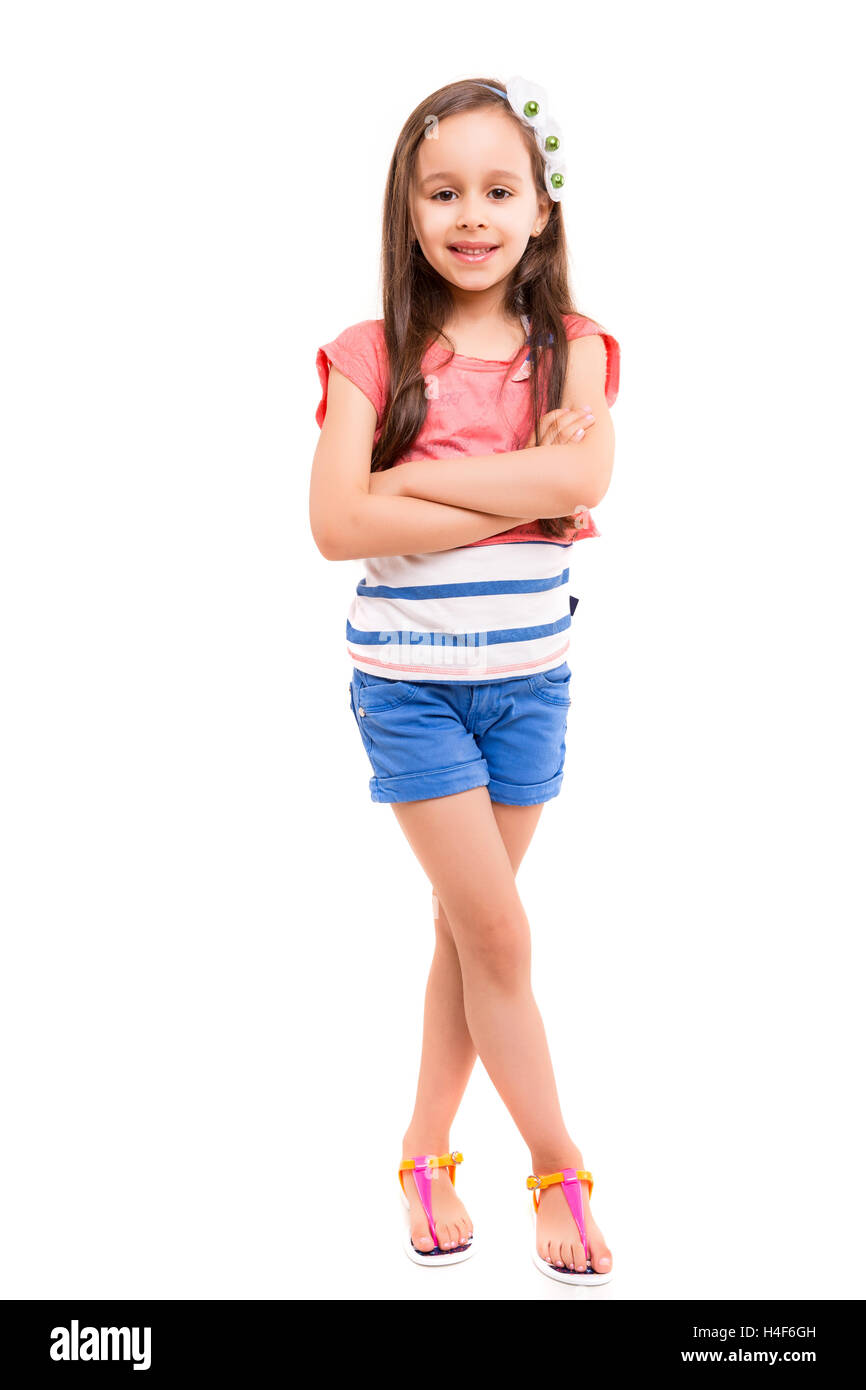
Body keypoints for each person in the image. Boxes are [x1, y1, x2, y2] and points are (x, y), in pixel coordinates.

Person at [310, 75, 620, 1285]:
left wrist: (408, 494)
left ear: (540, 210)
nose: (472, 215)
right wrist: (520, 493)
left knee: (467, 931)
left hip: (531, 685)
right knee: (497, 931)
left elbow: (582, 482)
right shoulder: (369, 351)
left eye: (499, 190)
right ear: (409, 207)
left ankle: (423, 1148)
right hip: (412, 690)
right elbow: (335, 524)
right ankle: (558, 1159)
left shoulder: (575, 352)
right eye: (444, 192)